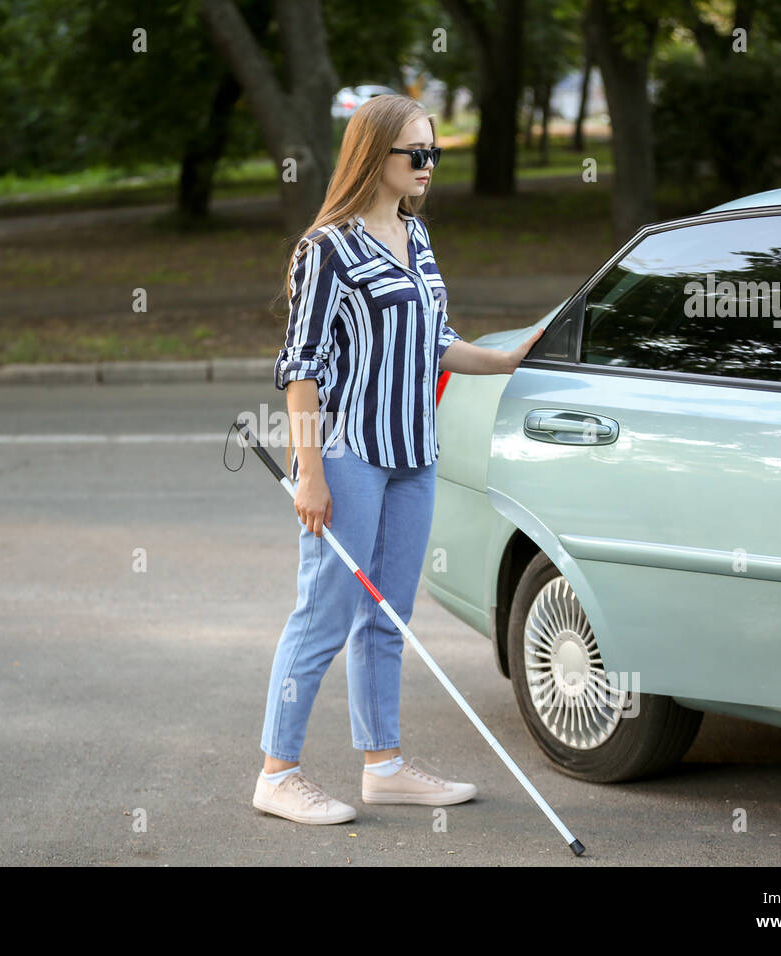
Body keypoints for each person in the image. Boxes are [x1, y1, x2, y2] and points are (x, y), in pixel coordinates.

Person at [253, 94, 545, 824]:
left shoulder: (416, 239)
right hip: (349, 456)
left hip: (415, 454)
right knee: (323, 614)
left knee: (390, 615)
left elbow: (435, 343)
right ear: (372, 156)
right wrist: (310, 472)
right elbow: (301, 369)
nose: (427, 166)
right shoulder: (327, 249)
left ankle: (383, 765)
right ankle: (277, 772)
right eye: (414, 153)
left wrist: (506, 359)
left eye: (433, 153)